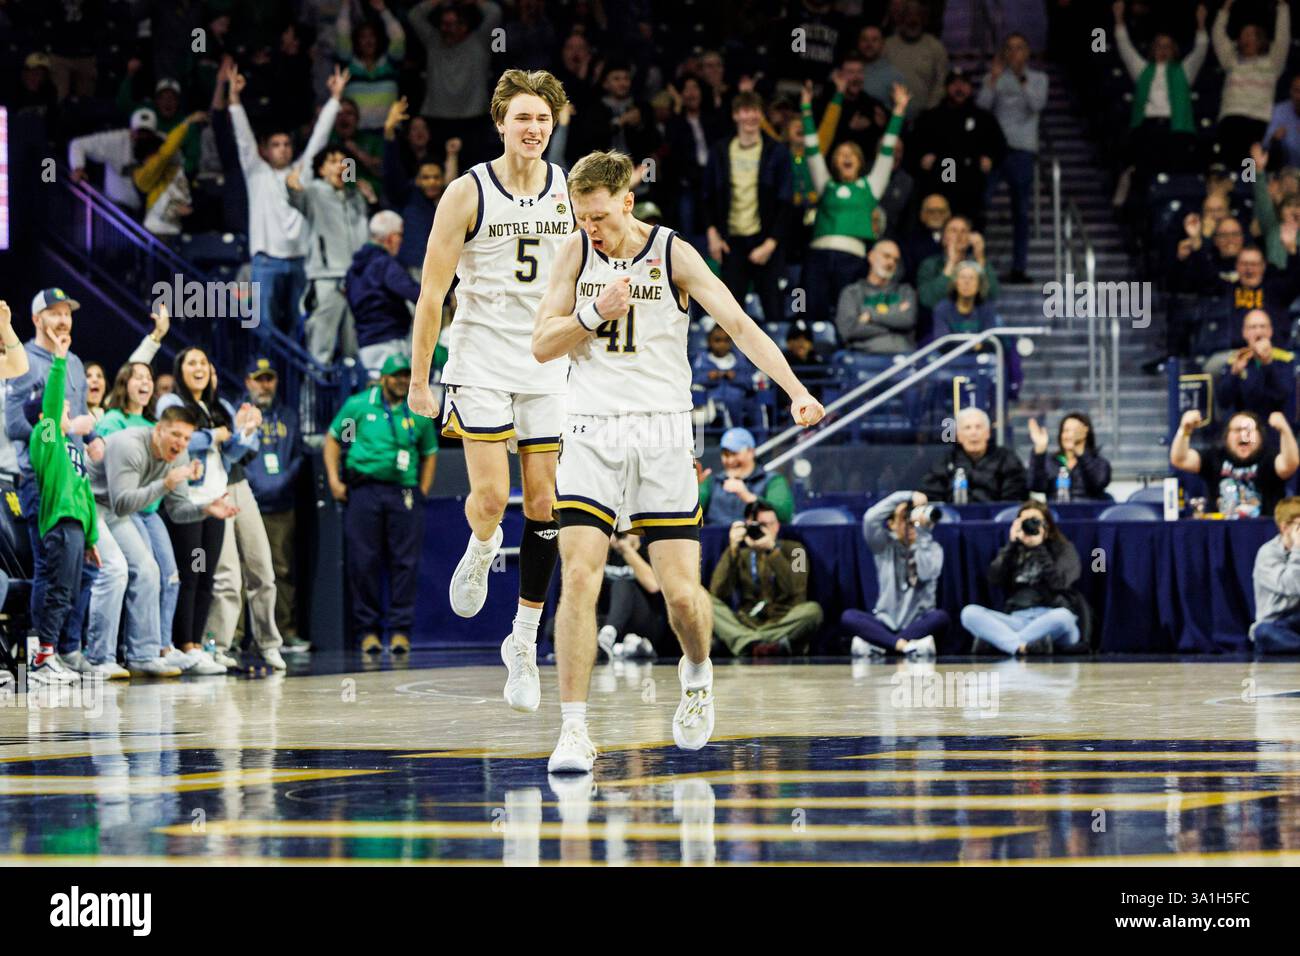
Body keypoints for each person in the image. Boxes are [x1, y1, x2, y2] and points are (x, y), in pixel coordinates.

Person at [532, 149, 825, 773]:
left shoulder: (673, 254)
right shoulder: (574, 254)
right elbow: (540, 344)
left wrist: (796, 390)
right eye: (582, 217)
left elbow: (740, 326)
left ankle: (696, 675)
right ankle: (575, 731)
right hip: (588, 432)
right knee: (579, 578)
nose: (592, 228)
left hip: (663, 436)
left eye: (602, 217)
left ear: (627, 203)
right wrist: (591, 314)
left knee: (683, 596)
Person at [408, 70, 572, 713]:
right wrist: (420, 379)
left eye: (542, 119)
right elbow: (431, 293)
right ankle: (480, 548)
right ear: (500, 123)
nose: (532, 129)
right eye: (522, 118)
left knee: (543, 503)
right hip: (477, 356)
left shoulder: (570, 189)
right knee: (487, 496)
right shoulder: (466, 191)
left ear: (553, 125)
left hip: (545, 361)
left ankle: (524, 641)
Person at [158, 349, 285, 670]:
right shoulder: (170, 403)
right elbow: (183, 439)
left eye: (204, 363)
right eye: (192, 363)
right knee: (222, 575)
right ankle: (215, 644)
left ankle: (269, 643)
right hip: (201, 496)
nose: (199, 368)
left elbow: (233, 452)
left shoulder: (220, 406)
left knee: (263, 568)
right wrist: (214, 435)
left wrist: (246, 430)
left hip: (233, 485)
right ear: (180, 370)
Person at [95, 405, 239, 673]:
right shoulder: (130, 445)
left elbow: (177, 509)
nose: (181, 443)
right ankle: (100, 657)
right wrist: (166, 484)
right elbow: (123, 504)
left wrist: (206, 508)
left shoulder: (179, 456)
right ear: (158, 429)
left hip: (121, 511)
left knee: (155, 571)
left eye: (186, 438)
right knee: (117, 571)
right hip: (90, 503)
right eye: (175, 435)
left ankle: (145, 654)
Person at [4, 290, 96, 675]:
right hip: (40, 480)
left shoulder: (74, 361)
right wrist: (55, 429)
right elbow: (13, 423)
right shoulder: (22, 361)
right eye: (53, 313)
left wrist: (88, 434)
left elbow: (81, 417)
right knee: (50, 570)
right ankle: (41, 656)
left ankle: (64, 649)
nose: (63, 320)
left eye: (67, 314)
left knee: (83, 573)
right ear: (37, 318)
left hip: (74, 480)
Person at [324, 355, 437, 653]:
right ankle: (368, 632)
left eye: (406, 375)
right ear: (383, 378)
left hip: (404, 492)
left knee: (405, 562)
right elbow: (334, 439)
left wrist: (422, 488)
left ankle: (401, 631)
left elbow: (429, 451)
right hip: (364, 491)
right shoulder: (360, 405)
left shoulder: (419, 410)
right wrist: (335, 481)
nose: (402, 381)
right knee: (364, 561)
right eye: (396, 376)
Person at [227, 63, 349, 339]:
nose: (282, 149)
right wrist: (234, 100)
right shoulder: (257, 173)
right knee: (263, 325)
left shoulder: (301, 172)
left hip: (299, 260)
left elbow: (318, 140)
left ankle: (297, 381)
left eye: (286, 144)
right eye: (276, 145)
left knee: (300, 324)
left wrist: (335, 100)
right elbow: (243, 140)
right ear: (266, 149)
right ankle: (263, 374)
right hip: (265, 260)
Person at [21, 333, 106, 684]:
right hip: (57, 525)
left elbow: (85, 496)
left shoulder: (71, 450)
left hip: (75, 528)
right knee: (56, 589)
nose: (69, 411)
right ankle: (42, 658)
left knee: (69, 592)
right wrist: (59, 360)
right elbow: (54, 408)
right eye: (63, 410)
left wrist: (91, 538)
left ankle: (52, 653)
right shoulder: (45, 436)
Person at [798, 81, 908, 327]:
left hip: (852, 259)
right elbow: (813, 151)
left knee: (845, 311)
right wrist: (805, 108)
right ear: (834, 162)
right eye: (840, 154)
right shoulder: (826, 185)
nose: (846, 157)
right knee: (812, 310)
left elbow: (887, 151)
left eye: (851, 155)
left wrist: (898, 113)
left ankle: (843, 357)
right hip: (818, 255)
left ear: (860, 162)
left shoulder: (871, 186)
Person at [701, 91, 794, 326]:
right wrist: (713, 233)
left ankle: (774, 363)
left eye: (754, 110)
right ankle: (738, 363)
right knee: (731, 315)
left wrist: (771, 243)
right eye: (744, 110)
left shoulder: (778, 152)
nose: (750, 116)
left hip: (766, 243)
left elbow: (786, 201)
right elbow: (707, 195)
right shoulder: (720, 151)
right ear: (735, 115)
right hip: (731, 242)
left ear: (761, 115)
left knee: (774, 311)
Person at [287, 140, 375, 365]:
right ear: (321, 169)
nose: (340, 166)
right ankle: (313, 401)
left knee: (355, 351)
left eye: (344, 162)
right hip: (326, 279)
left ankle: (351, 400)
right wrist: (291, 186)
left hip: (356, 281)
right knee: (320, 350)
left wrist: (371, 200)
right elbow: (296, 197)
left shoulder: (356, 197)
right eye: (333, 161)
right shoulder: (315, 192)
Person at [241, 358, 308, 653]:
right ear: (248, 382)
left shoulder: (289, 416)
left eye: (269, 379)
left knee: (281, 569)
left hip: (282, 506)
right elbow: (236, 454)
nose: (264, 385)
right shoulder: (239, 413)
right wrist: (254, 486)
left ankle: (282, 632)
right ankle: (237, 637)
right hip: (248, 504)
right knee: (242, 572)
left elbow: (298, 457)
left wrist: (282, 482)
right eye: (259, 379)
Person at [960, 501, 1085, 655]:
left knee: (1063, 617)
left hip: (1051, 619)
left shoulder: (1064, 549)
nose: (1030, 525)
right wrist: (1011, 545)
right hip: (1017, 620)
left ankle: (1004, 643)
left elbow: (1059, 583)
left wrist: (1039, 547)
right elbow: (994, 578)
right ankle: (1021, 647)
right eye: (1025, 521)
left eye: (1036, 521)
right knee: (969, 613)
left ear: (1048, 526)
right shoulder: (1014, 551)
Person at [1111, 1, 1208, 194]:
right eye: (1159, 46)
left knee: (1174, 173)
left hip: (1176, 130)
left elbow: (1200, 50)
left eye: (1167, 47)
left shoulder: (1184, 71)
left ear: (1174, 50)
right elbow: (1125, 47)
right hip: (1148, 128)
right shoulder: (1142, 70)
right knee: (1145, 174)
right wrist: (1119, 19)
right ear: (1152, 50)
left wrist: (1201, 24)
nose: (1163, 51)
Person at [708, 499, 823, 658]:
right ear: (748, 526)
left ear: (777, 526)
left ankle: (746, 642)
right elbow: (717, 591)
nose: (767, 529)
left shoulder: (797, 550)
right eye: (760, 525)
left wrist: (772, 551)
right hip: (748, 621)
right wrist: (732, 550)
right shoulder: (741, 554)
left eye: (771, 524)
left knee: (813, 611)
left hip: (784, 620)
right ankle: (764, 644)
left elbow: (797, 589)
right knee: (705, 601)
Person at [977, 33, 1048, 283]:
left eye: (1020, 48)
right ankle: (978, 264)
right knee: (981, 204)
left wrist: (1022, 79)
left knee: (1020, 210)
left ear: (1027, 52)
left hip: (1023, 150)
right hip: (995, 150)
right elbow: (982, 108)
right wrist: (993, 79)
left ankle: (1019, 267)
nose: (1015, 53)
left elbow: (1037, 105)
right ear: (1004, 53)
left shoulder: (1039, 79)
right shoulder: (993, 78)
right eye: (1010, 48)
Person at [842, 490, 947, 657]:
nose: (910, 524)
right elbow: (870, 518)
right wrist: (906, 497)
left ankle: (882, 644)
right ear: (891, 523)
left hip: (917, 623)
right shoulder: (883, 545)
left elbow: (926, 573)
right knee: (849, 616)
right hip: (885, 622)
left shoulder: (933, 548)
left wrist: (923, 535)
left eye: (912, 519)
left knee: (940, 617)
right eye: (905, 519)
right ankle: (902, 645)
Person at [910, 69, 1006, 226]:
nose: (959, 88)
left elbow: (1000, 146)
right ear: (947, 87)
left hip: (971, 183)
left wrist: (991, 159)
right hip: (939, 182)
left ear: (970, 87)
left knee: (970, 225)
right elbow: (913, 146)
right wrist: (922, 157)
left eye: (963, 84)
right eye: (954, 84)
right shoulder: (931, 117)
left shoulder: (983, 118)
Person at [1172, 408, 1299, 517]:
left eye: (1249, 430)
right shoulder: (1214, 457)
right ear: (1227, 436)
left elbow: (1290, 465)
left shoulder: (1269, 457)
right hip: (1222, 533)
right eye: (1237, 430)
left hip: (1263, 534)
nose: (1243, 435)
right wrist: (1184, 430)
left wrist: (1284, 430)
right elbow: (1180, 460)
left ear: (1260, 436)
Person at [1212, 0, 1291, 168]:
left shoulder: (1272, 63)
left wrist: (1282, 7)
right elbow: (1218, 37)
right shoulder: (1231, 60)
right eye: (1243, 34)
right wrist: (1225, 9)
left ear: (1260, 39)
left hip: (1258, 122)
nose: (1246, 38)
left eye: (1251, 34)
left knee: (1251, 170)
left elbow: (1283, 38)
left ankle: (1250, 190)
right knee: (1231, 166)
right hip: (1232, 120)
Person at [345, 211, 422, 379]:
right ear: (391, 238)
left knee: (375, 391)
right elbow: (413, 292)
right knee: (395, 398)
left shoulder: (353, 269)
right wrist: (442, 298)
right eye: (400, 235)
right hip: (390, 342)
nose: (401, 241)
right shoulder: (385, 264)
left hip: (366, 344)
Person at [920, 406, 1028, 502]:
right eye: (967, 428)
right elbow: (932, 494)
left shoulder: (1006, 459)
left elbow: (1014, 498)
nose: (973, 433)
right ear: (958, 436)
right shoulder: (947, 461)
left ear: (988, 433)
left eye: (978, 427)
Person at [593, 532, 670, 660]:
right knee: (555, 627)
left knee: (622, 584)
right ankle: (624, 648)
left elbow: (653, 586)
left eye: (625, 532)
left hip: (645, 621)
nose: (621, 536)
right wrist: (603, 548)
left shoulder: (648, 551)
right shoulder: (607, 553)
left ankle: (608, 639)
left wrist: (626, 549)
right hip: (613, 620)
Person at [698, 426, 795, 526]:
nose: (730, 461)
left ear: (751, 452)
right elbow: (691, 511)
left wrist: (748, 497)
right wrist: (694, 490)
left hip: (755, 540)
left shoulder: (773, 480)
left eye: (735, 454)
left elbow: (784, 514)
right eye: (726, 454)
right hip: (715, 539)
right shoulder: (711, 481)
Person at [834, 240, 918, 354]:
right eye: (886, 256)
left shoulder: (905, 291)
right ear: (871, 256)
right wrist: (895, 326)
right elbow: (848, 330)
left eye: (895, 260)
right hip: (863, 357)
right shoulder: (852, 292)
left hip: (902, 357)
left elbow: (907, 321)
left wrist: (871, 316)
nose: (891, 263)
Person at [1215, 310, 1296, 419]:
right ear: (1244, 332)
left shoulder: (1285, 359)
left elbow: (1283, 397)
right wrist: (1234, 373)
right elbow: (1223, 402)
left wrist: (1267, 364)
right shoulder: (1236, 359)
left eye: (1263, 326)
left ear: (1270, 331)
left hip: (1273, 426)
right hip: (1244, 424)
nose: (1259, 332)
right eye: (1253, 327)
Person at [1250, 496, 1300, 653]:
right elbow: (1292, 586)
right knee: (1263, 632)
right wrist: (1298, 550)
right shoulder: (1268, 553)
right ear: (1285, 527)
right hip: (1276, 621)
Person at [1028, 412, 1112, 500]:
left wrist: (1080, 450)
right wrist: (1040, 451)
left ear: (1086, 433)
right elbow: (1035, 486)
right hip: (1056, 511)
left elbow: (1098, 483)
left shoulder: (1099, 463)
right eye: (1066, 431)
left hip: (1088, 512)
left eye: (1074, 431)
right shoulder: (1051, 461)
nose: (1070, 435)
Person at [691, 325, 759, 432]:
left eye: (726, 340)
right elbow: (693, 381)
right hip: (709, 400)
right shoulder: (701, 359)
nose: (722, 344)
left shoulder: (739, 358)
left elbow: (749, 382)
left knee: (757, 402)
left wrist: (735, 377)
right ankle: (700, 444)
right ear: (709, 342)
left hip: (738, 400)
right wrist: (708, 377)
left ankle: (753, 439)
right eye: (718, 340)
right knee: (698, 400)